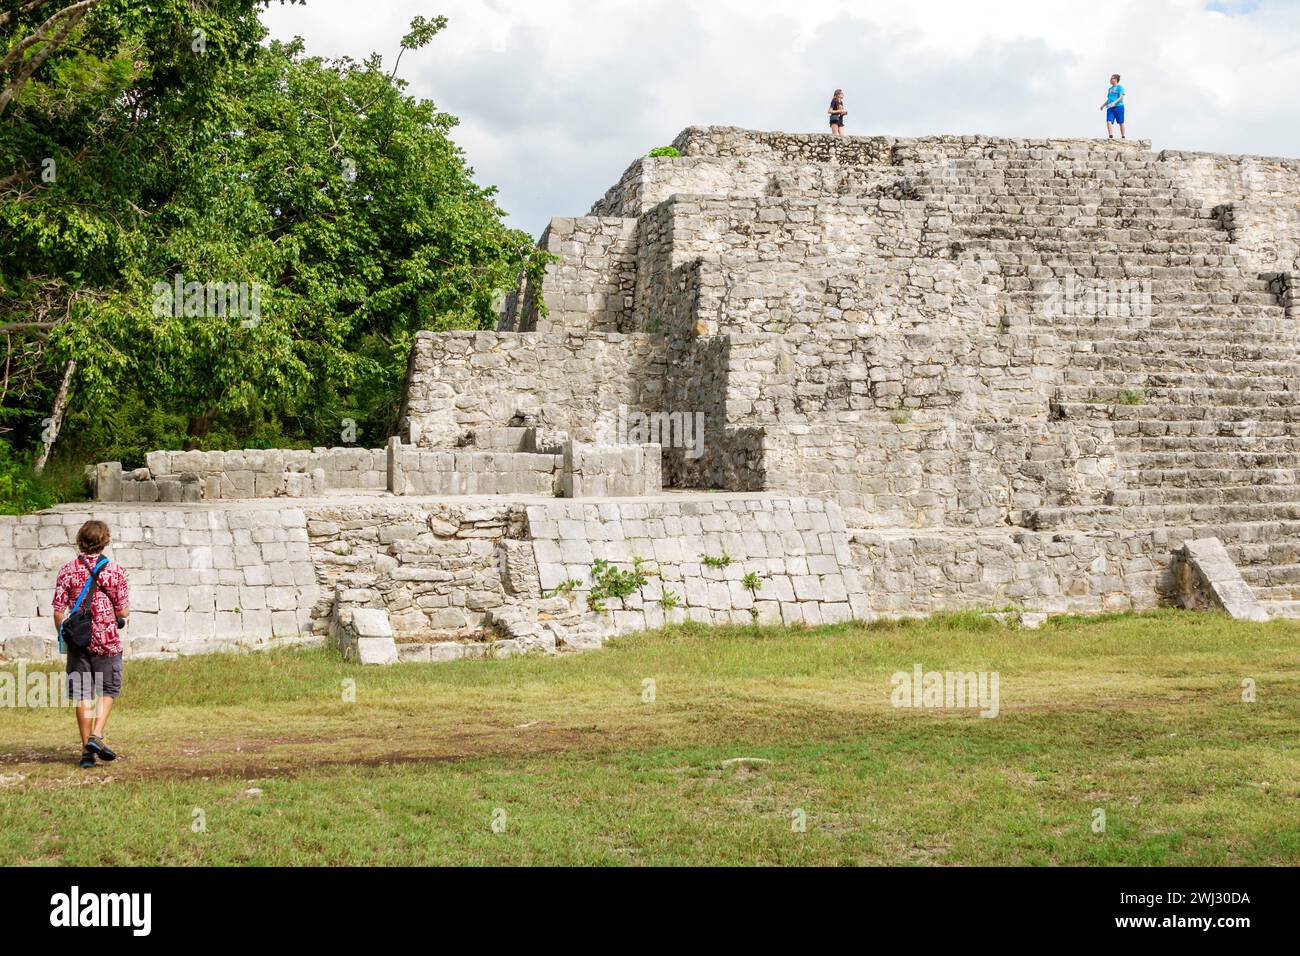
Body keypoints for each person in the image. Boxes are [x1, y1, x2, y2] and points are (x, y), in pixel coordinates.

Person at [52, 520, 129, 768]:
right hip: (107, 639)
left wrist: (66, 637)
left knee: (82, 695)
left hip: (79, 641)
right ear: (105, 541)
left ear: (80, 541)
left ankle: (87, 753)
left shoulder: (66, 570)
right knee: (108, 690)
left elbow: (58, 610)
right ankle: (97, 735)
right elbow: (124, 610)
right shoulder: (115, 571)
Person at [1100, 74, 1126, 139]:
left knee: (1121, 122)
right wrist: (1103, 105)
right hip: (1110, 107)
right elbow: (1109, 99)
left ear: (1115, 79)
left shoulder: (1120, 87)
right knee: (1109, 121)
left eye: (1112, 78)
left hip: (1119, 107)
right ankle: (1110, 136)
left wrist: (1114, 103)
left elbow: (1121, 97)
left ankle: (1123, 136)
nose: (1110, 80)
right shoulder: (1109, 89)